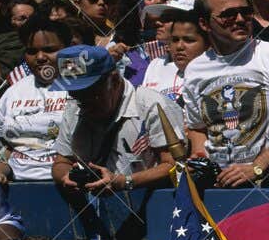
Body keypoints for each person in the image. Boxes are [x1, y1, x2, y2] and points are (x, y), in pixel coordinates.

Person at [182, 0, 269, 186]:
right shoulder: (195, 69)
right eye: (228, 15)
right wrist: (200, 158)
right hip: (219, 184)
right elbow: (198, 128)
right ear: (205, 24)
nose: (240, 20)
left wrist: (258, 166)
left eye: (245, 12)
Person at [49, 45, 185, 195]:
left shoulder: (152, 106)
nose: (85, 104)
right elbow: (62, 162)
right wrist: (66, 177)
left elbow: (174, 165)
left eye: (91, 95)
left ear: (113, 80)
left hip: (153, 204)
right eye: (77, 97)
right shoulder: (74, 106)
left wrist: (124, 182)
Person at [0, 16, 69, 183]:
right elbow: (2, 146)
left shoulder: (83, 90)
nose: (40, 57)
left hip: (68, 185)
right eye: (31, 51)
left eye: (49, 49)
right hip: (18, 189)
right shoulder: (12, 92)